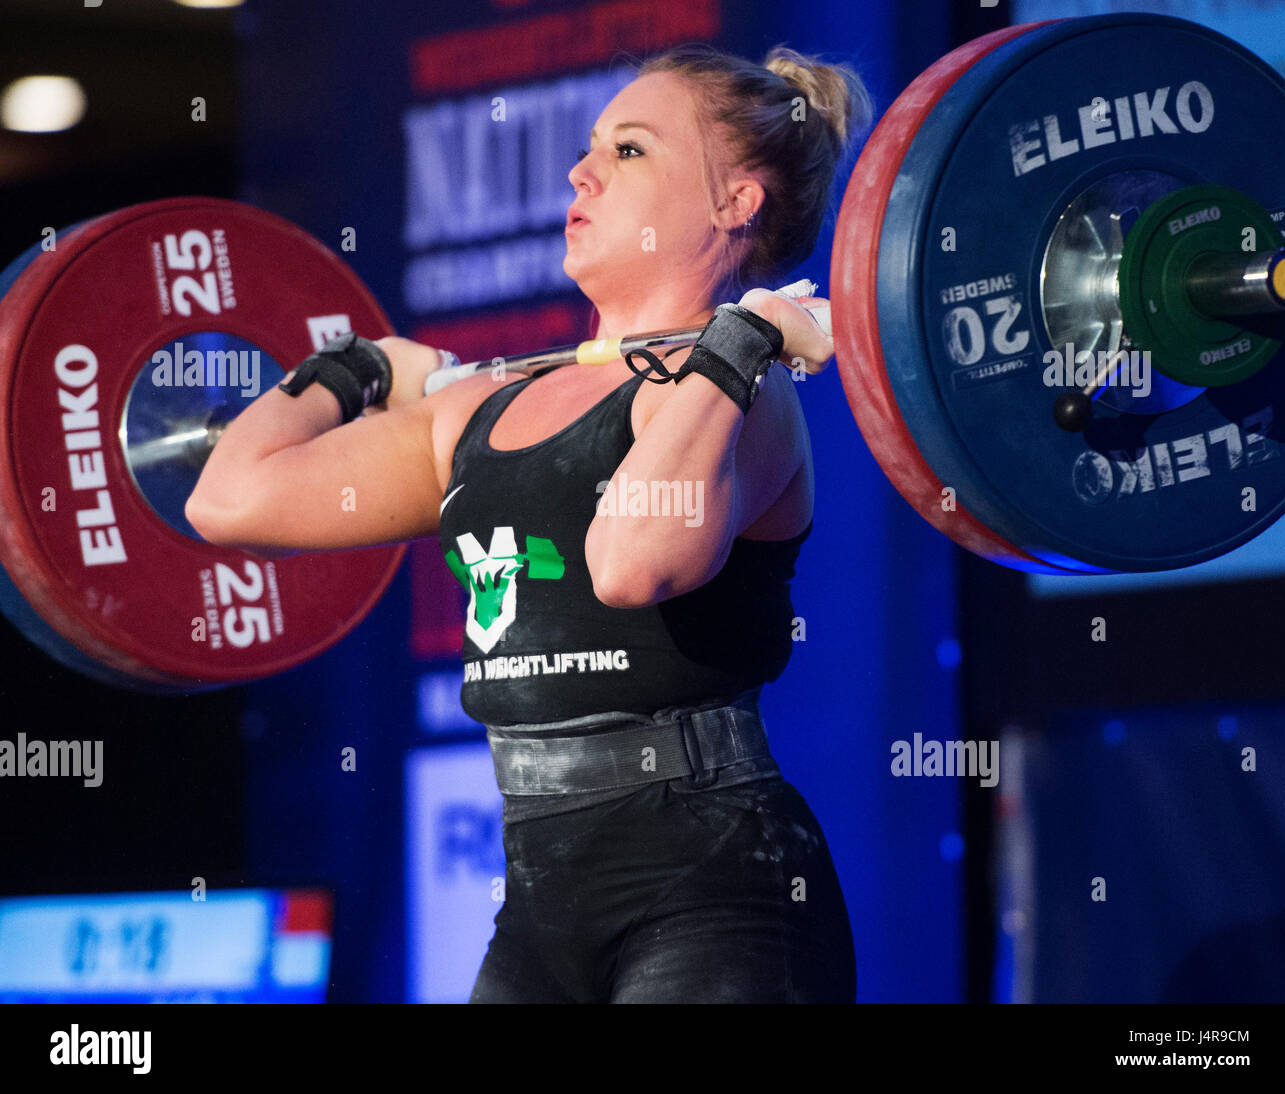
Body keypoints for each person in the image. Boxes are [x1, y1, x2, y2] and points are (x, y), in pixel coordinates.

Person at [187, 41, 870, 1003]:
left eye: (629, 151)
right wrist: (357, 368)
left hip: (720, 878)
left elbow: (630, 562)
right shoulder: (481, 411)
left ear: (735, 202)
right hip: (541, 892)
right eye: (590, 148)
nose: (579, 172)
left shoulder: (747, 399)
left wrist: (741, 339)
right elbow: (231, 498)